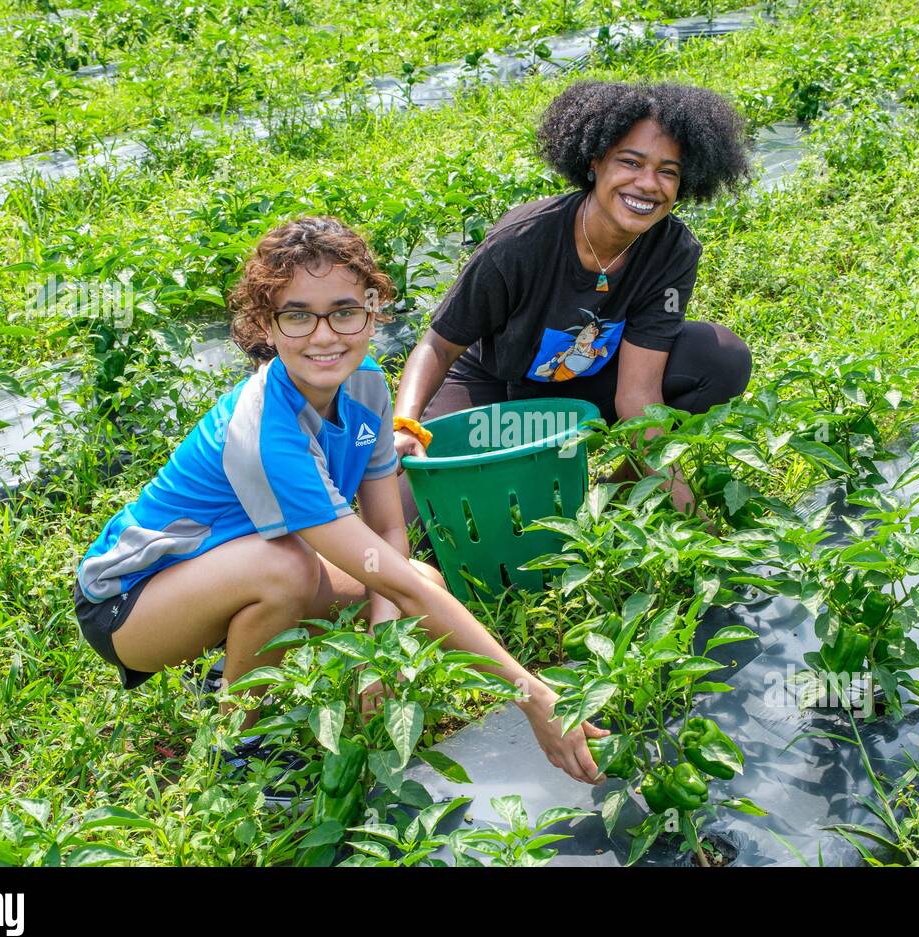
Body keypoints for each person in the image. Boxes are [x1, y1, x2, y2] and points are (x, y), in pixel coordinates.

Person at [72, 217, 606, 784]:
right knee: (289, 568)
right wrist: (531, 694)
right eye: (297, 315)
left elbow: (388, 534)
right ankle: (234, 742)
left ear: (373, 314)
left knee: (423, 580)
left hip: (223, 573)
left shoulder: (367, 382)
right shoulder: (268, 433)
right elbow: (382, 572)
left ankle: (235, 664)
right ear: (266, 326)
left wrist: (381, 637)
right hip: (127, 606)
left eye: (345, 312)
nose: (324, 337)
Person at [395, 80, 755, 520]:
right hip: (495, 387)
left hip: (588, 383)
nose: (647, 184)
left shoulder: (671, 251)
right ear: (594, 161)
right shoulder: (521, 241)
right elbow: (438, 345)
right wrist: (405, 424)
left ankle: (620, 494)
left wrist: (689, 516)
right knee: (428, 520)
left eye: (668, 171)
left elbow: (637, 394)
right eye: (631, 162)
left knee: (720, 358)